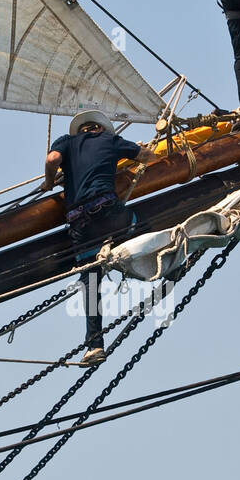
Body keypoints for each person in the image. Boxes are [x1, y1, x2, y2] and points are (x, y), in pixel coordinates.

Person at [42, 111, 154, 365]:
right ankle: (173, 261)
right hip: (110, 214)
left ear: (79, 130)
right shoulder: (110, 141)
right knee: (145, 222)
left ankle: (95, 345)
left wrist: (50, 182)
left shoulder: (66, 144)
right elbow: (147, 156)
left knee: (90, 281)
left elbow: (52, 159)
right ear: (100, 129)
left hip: (80, 224)